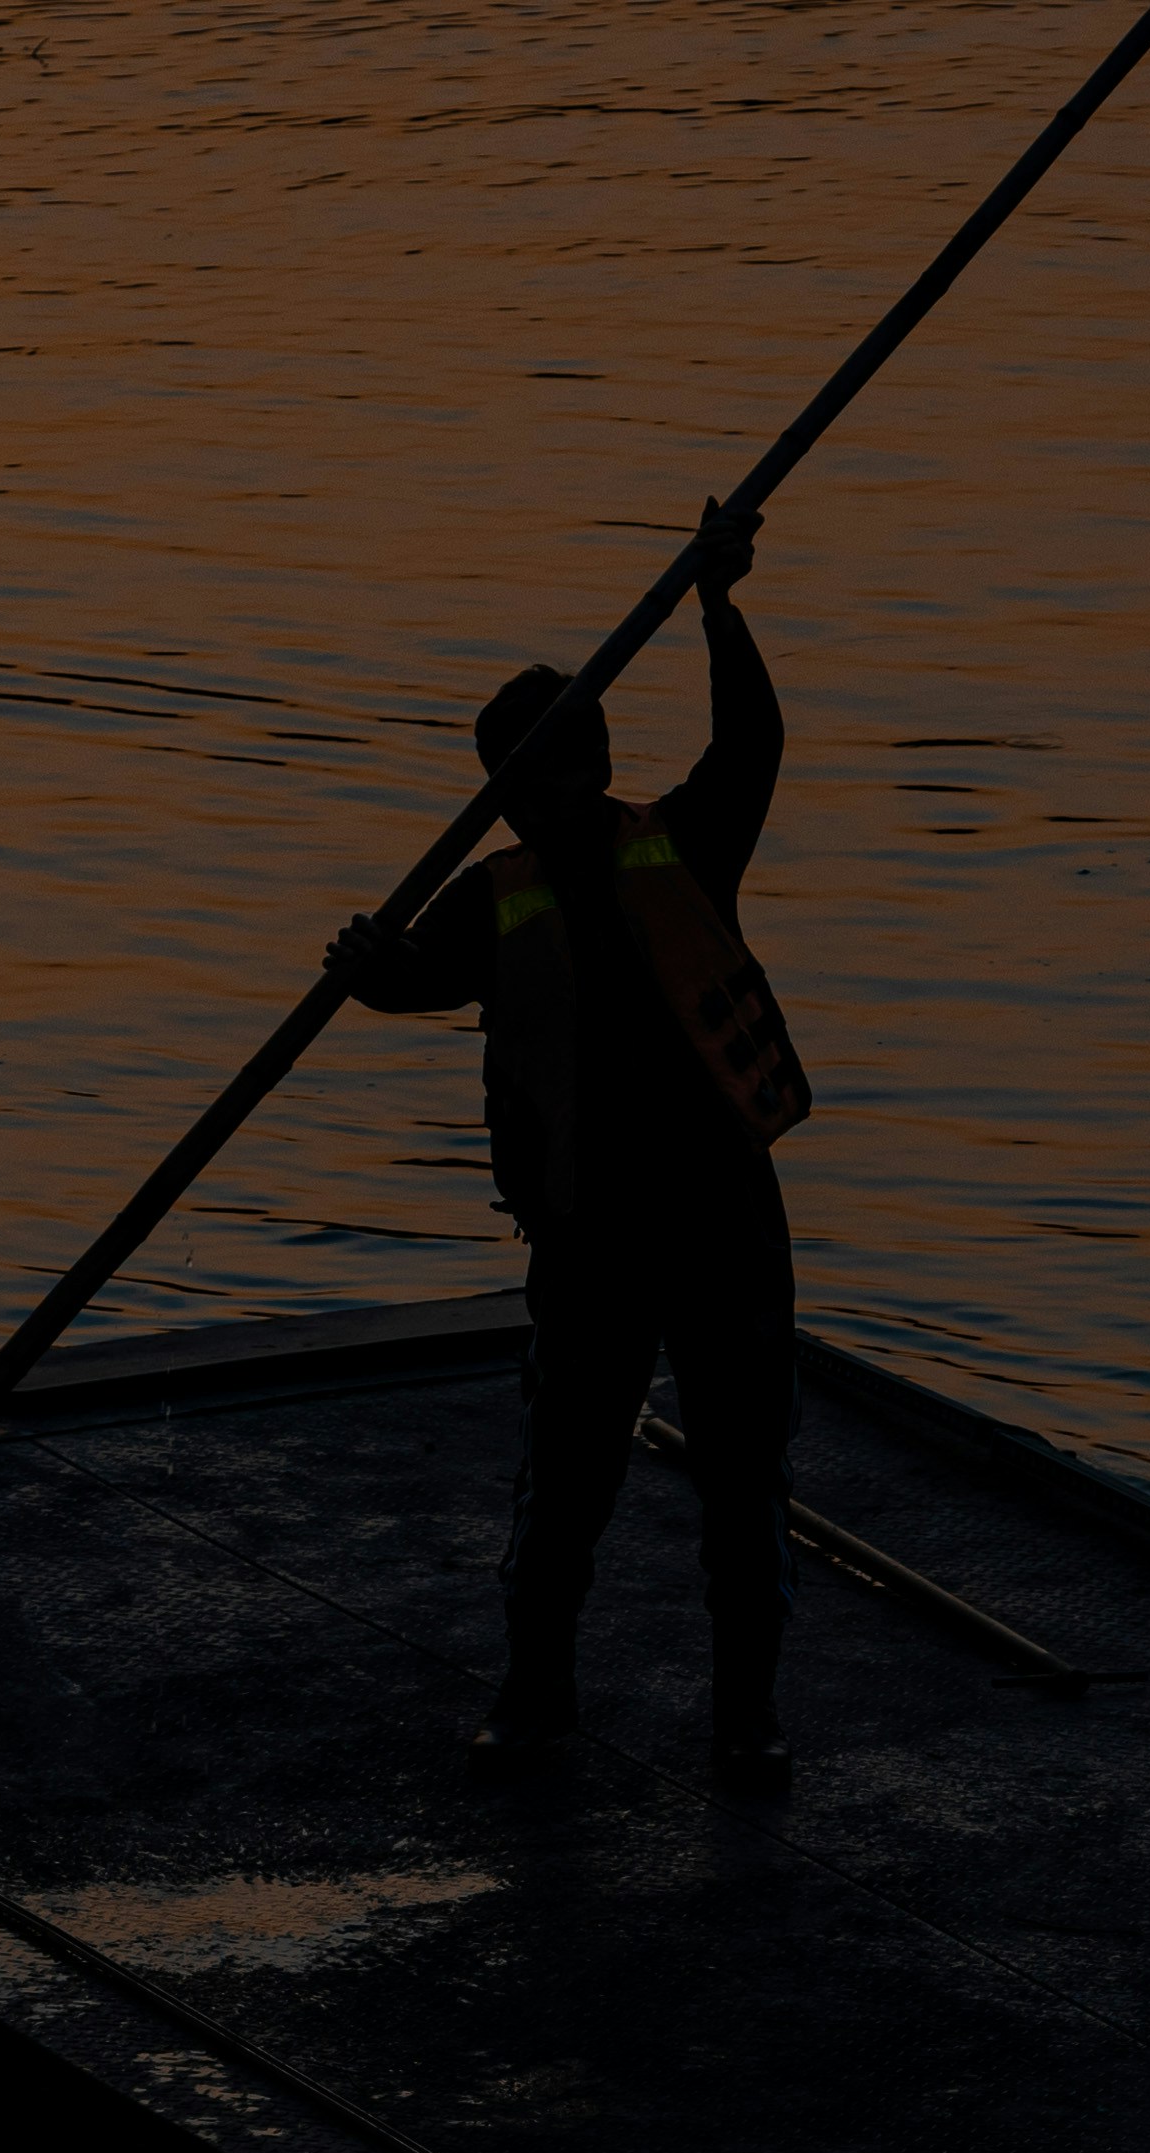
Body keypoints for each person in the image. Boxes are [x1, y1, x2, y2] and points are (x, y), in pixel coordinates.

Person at [328, 498, 816, 1794]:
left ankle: (747, 1718)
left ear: (594, 762)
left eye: (551, 767)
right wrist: (368, 969)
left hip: (720, 1221)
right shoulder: (489, 895)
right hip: (592, 1236)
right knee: (566, 1485)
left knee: (740, 1485)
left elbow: (755, 740)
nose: (534, 795)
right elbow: (414, 979)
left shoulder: (683, 843)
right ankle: (536, 1695)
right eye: (512, 778)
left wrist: (720, 606)